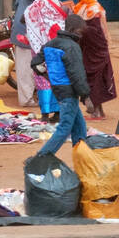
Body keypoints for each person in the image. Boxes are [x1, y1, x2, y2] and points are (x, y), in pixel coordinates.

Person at [32, 14, 94, 156]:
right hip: (69, 92)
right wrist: (86, 97)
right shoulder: (72, 47)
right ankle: (41, 157)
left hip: (57, 90)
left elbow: (35, 64)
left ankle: (82, 157)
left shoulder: (50, 44)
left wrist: (48, 77)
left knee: (79, 127)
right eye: (80, 32)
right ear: (72, 29)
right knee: (65, 127)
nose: (81, 36)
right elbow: (77, 74)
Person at [9, 0, 60, 108]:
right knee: (26, 67)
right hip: (26, 33)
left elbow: (18, 1)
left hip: (27, 32)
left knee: (29, 65)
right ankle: (26, 99)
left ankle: (31, 97)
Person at [23, 0, 71, 120]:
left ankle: (45, 114)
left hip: (41, 48)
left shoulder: (38, 4)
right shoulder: (60, 4)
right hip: (58, 46)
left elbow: (25, 17)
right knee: (57, 77)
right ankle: (57, 112)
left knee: (42, 77)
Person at [74, 0, 117, 119]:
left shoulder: (92, 8)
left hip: (95, 50)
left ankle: (98, 112)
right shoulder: (85, 6)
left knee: (94, 79)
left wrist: (80, 32)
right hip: (91, 49)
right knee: (94, 79)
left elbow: (93, 31)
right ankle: (97, 111)